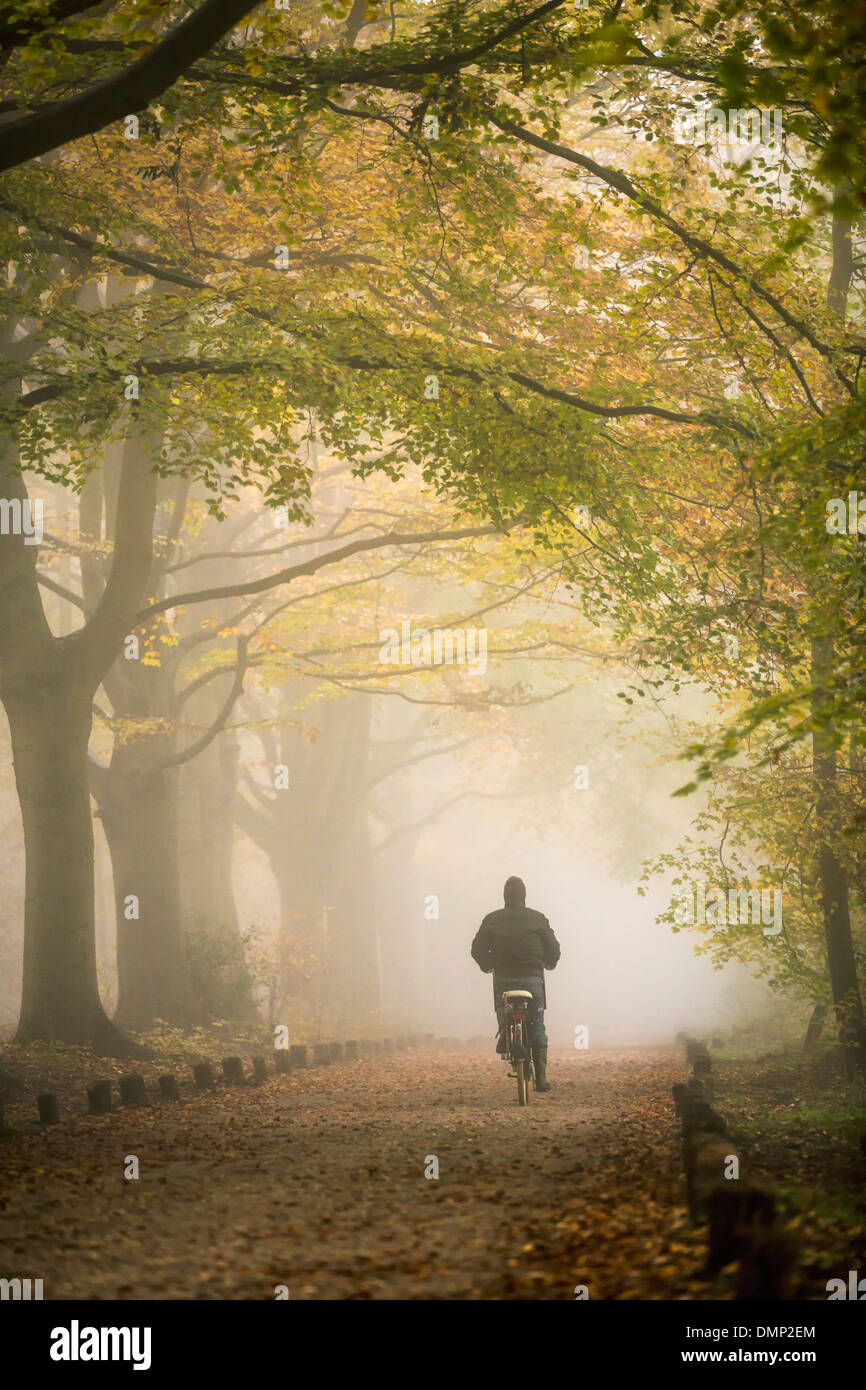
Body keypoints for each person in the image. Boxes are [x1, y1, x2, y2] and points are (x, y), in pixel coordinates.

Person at [470, 876, 560, 1092]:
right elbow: (553, 948)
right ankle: (541, 1078)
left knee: (503, 1006)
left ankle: (504, 1033)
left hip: (503, 977)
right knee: (537, 1024)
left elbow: (476, 949)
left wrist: (488, 964)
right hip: (532, 977)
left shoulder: (492, 919)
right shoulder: (537, 918)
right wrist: (550, 962)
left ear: (504, 896)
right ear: (524, 896)